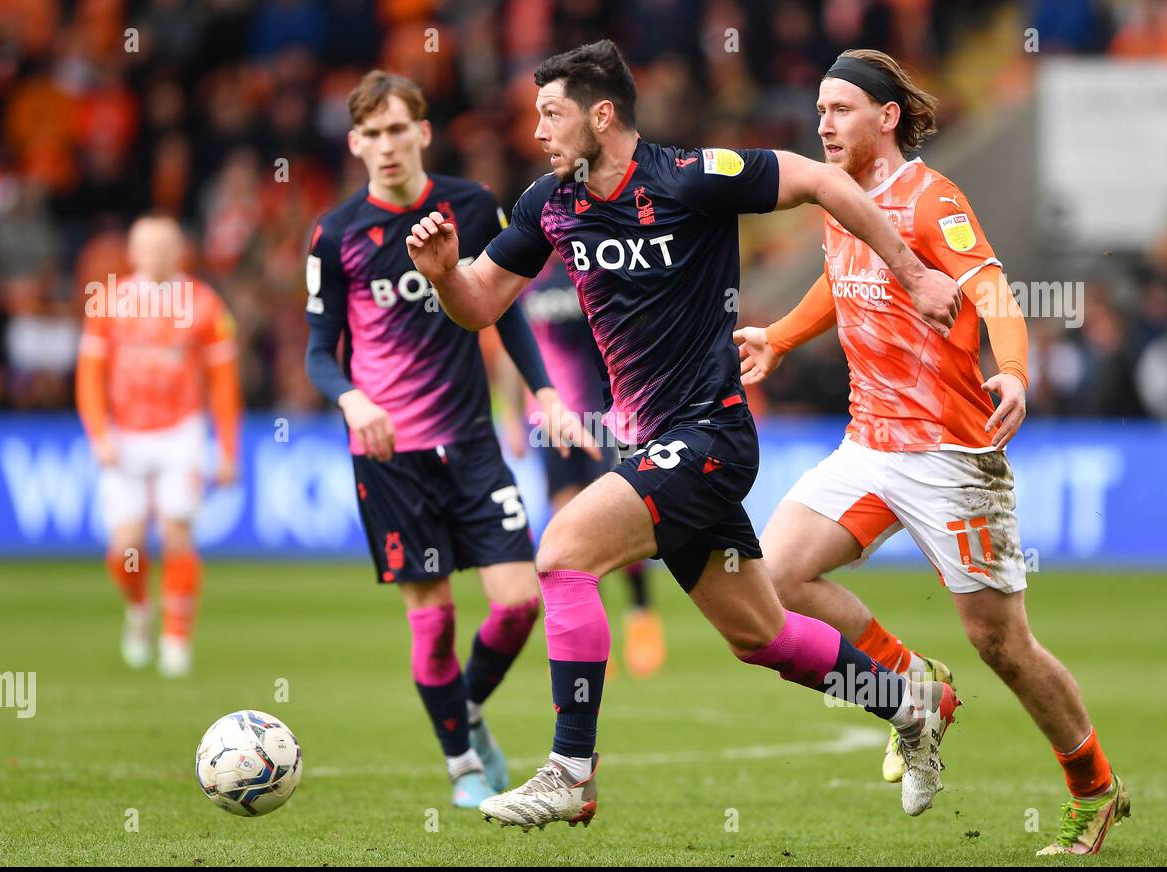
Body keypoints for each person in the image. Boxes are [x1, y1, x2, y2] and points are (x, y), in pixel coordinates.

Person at [406, 40, 965, 830]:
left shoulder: (692, 177)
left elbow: (820, 181)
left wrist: (911, 273)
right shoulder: (547, 204)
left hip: (710, 438)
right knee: (761, 635)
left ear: (603, 115)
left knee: (562, 555)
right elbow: (480, 304)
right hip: (655, 449)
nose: (539, 130)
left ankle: (571, 770)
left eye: (552, 114)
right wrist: (441, 274)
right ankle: (912, 702)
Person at [734, 49, 1128, 856]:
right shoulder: (840, 200)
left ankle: (1095, 789)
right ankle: (915, 683)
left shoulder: (931, 198)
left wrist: (1011, 370)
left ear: (885, 117)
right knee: (773, 578)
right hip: (869, 442)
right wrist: (777, 335)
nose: (822, 123)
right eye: (818, 109)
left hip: (950, 453)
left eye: (840, 108)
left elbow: (992, 288)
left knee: (1002, 645)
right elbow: (839, 282)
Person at [304, 71, 594, 808]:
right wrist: (351, 398)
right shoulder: (336, 234)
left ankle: (461, 709)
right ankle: (464, 761)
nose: (386, 144)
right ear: (354, 144)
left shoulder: (468, 206)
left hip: (469, 443)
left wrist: (548, 395)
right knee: (431, 620)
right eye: (370, 133)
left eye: (398, 128)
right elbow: (317, 349)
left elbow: (505, 310)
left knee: (520, 602)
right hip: (390, 454)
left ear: (423, 132)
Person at [76, 213, 241, 678]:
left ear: (180, 251)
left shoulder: (205, 304)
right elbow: (90, 375)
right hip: (125, 434)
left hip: (180, 432)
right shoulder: (108, 302)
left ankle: (176, 639)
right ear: (132, 253)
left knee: (176, 533)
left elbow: (223, 383)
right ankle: (140, 607)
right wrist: (99, 434)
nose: (156, 255)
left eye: (165, 247)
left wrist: (228, 449)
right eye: (146, 247)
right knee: (125, 546)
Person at [497, 253, 666, 678]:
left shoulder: (597, 267)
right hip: (550, 423)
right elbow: (511, 351)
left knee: (619, 525)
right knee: (569, 530)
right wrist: (511, 419)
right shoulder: (525, 279)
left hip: (606, 418)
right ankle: (595, 635)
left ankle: (641, 615)